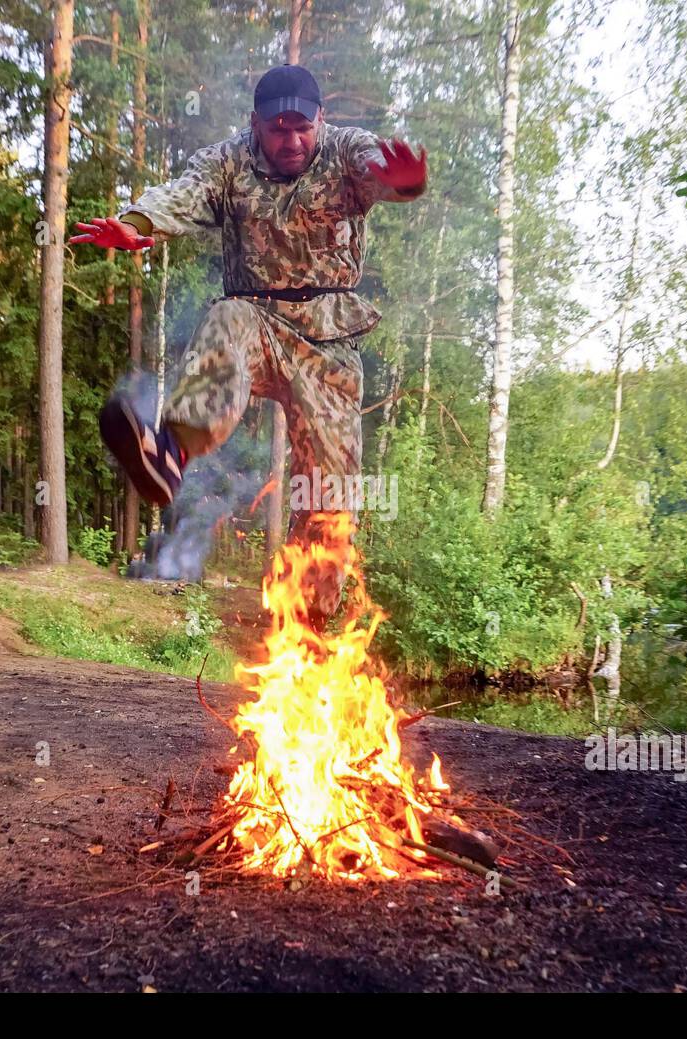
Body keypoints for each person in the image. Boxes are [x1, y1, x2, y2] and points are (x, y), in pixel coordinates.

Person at [72, 63, 427, 622]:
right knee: (228, 316)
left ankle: (310, 623)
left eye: (302, 128)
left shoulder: (343, 149)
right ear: (255, 123)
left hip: (329, 339)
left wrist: (403, 182)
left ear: (320, 120)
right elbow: (184, 195)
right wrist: (137, 223)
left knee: (330, 493)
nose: (292, 140)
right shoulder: (229, 160)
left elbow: (378, 170)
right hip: (256, 317)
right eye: (278, 128)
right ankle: (172, 451)